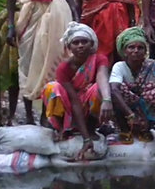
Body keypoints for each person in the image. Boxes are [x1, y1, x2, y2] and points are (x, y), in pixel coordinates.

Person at [41, 23, 113, 157]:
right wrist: (86, 139)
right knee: (52, 88)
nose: (80, 45)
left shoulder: (99, 59)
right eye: (76, 42)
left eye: (84, 42)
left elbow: (102, 77)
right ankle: (63, 128)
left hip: (89, 103)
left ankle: (91, 128)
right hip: (70, 105)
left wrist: (107, 100)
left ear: (91, 44)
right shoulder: (64, 68)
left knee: (101, 89)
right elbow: (74, 101)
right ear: (69, 47)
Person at [109, 27, 155, 139]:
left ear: (145, 51)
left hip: (145, 107)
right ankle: (124, 129)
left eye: (140, 48)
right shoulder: (119, 67)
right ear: (124, 51)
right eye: (131, 47)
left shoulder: (152, 66)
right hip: (126, 109)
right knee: (117, 90)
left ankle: (146, 129)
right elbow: (114, 90)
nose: (136, 51)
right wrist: (130, 115)